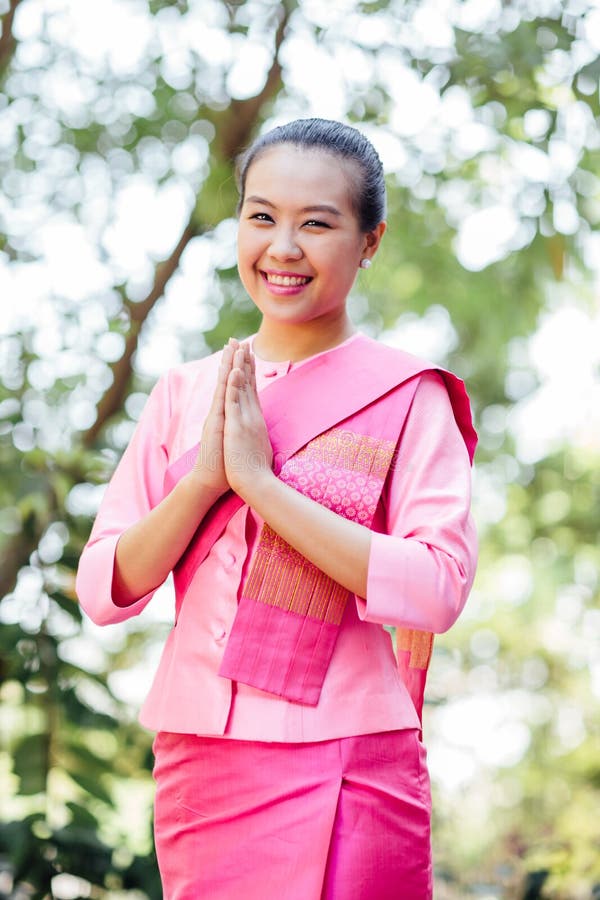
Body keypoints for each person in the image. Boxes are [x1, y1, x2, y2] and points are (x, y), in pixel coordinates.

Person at [76, 118, 477, 900]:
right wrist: (205, 481)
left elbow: (436, 588)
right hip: (202, 760)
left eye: (317, 223)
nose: (283, 247)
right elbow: (103, 588)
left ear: (370, 241)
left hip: (350, 758)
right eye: (261, 217)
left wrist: (263, 486)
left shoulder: (409, 394)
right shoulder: (187, 393)